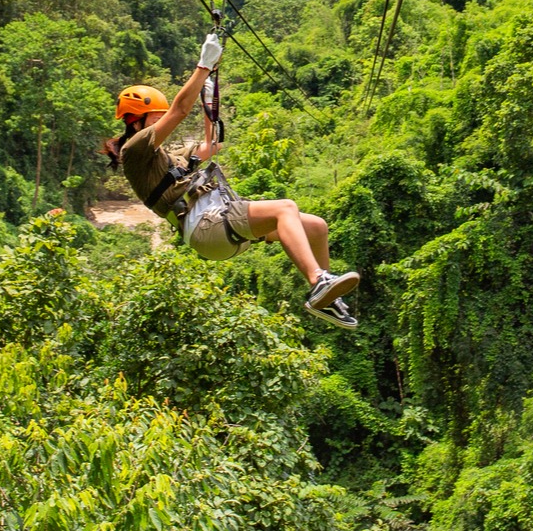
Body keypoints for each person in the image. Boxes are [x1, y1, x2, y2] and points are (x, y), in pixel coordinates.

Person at [101, 33, 360, 329]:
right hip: (207, 225)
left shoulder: (167, 155)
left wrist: (209, 99)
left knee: (316, 227)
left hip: (215, 225)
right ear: (136, 121)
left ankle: (328, 299)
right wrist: (203, 65)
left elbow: (211, 147)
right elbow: (179, 110)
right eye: (155, 118)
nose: (162, 124)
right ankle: (317, 282)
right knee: (285, 208)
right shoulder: (135, 152)